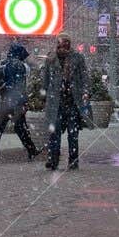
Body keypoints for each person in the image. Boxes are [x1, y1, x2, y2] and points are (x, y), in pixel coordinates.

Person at [0, 44, 38, 161]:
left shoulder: (3, 63)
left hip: (0, 102)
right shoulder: (19, 65)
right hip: (14, 102)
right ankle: (32, 150)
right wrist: (22, 102)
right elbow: (18, 86)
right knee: (21, 128)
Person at [42, 38, 89, 171]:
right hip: (55, 102)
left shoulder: (77, 58)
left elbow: (84, 76)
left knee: (72, 134)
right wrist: (43, 95)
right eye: (60, 43)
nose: (63, 45)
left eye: (66, 43)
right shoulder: (51, 58)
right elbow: (45, 79)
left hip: (73, 102)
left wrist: (85, 91)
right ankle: (53, 159)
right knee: (54, 133)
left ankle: (73, 160)